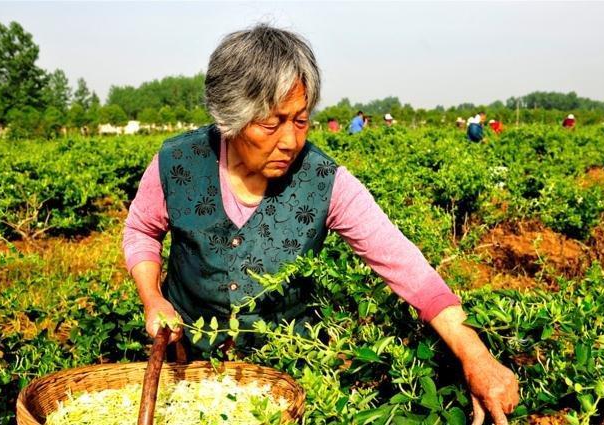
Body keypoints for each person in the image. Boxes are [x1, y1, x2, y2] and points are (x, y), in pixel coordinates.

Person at [123, 24, 518, 424]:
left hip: (285, 378)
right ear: (231, 117)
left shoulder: (325, 181)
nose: (290, 141)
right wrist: (153, 298)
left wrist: (475, 354)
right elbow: (142, 230)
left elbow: (405, 265)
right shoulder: (178, 162)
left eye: (300, 120)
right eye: (271, 123)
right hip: (187, 371)